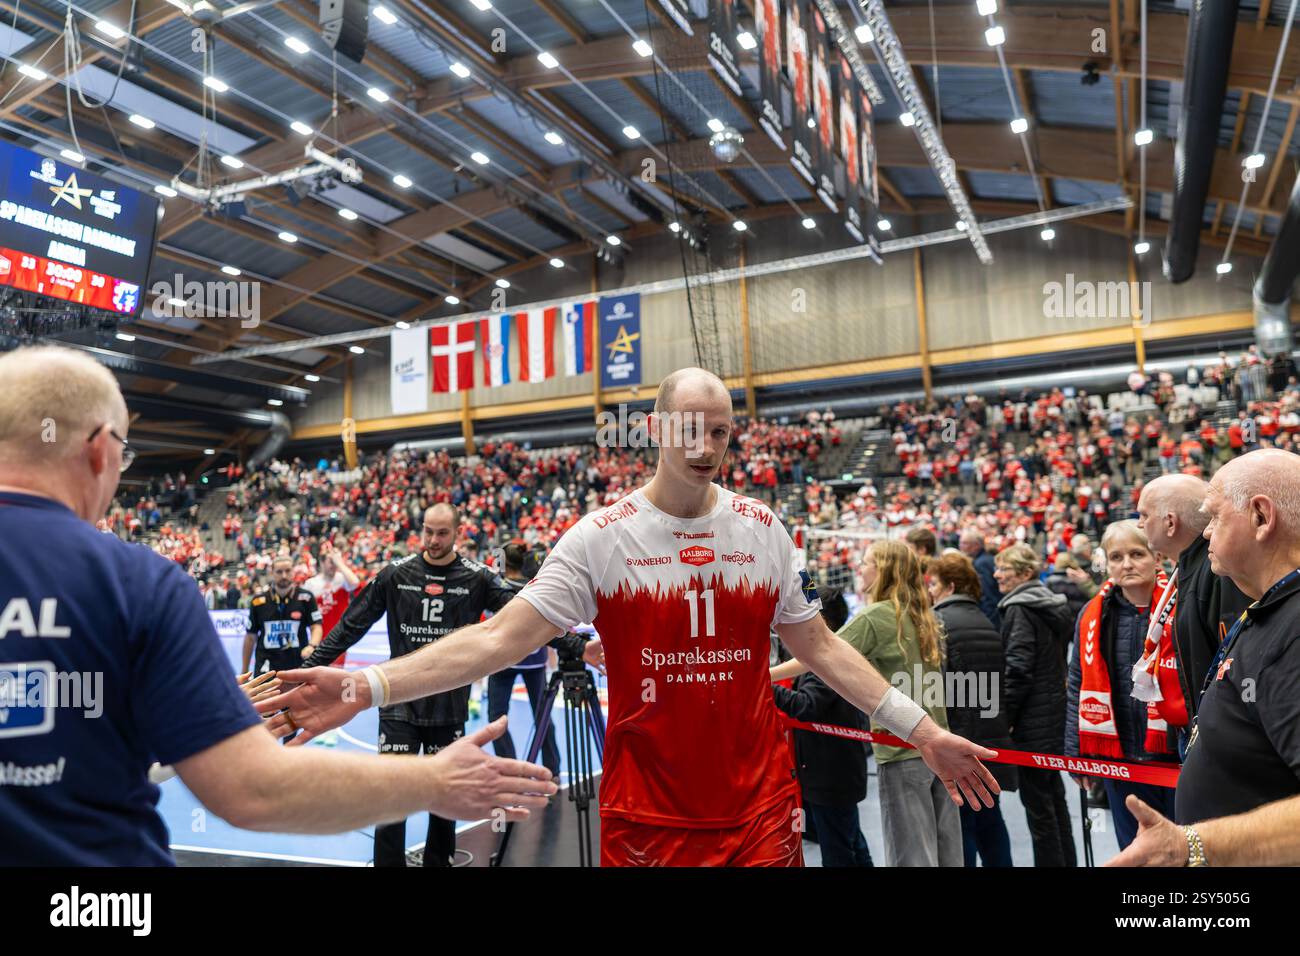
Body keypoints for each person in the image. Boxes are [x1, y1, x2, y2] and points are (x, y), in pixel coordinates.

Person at [264, 367, 998, 867]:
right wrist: (364, 688)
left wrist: (924, 731)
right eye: (692, 430)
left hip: (763, 807)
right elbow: (497, 638)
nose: (707, 448)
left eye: (721, 432)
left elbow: (821, 647)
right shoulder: (600, 539)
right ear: (655, 429)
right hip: (648, 815)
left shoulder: (763, 530)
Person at [0, 345, 555, 866]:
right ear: (100, 450)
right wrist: (436, 782)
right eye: (124, 454)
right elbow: (252, 790)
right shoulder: (139, 584)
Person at [302, 503, 519, 867]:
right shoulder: (395, 574)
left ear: (457, 533)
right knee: (390, 796)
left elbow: (526, 612)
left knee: (445, 797)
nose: (433, 541)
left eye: (442, 533)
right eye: (428, 532)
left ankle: (439, 862)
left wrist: (576, 645)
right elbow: (350, 625)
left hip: (448, 708)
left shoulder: (478, 578)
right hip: (398, 702)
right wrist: (310, 668)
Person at [828, 540, 962, 867]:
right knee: (948, 854)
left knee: (912, 857)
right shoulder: (923, 615)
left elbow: (817, 653)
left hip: (902, 748)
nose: (860, 567)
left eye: (867, 562)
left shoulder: (875, 617)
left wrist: (765, 674)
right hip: (940, 746)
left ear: (883, 569)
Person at [1064, 520, 1178, 850]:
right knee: (1134, 849)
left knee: (1181, 850)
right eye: (1116, 557)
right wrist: (1076, 751)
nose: (1126, 564)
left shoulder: (1181, 605)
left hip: (1172, 756)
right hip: (1121, 756)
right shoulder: (1093, 613)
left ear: (1157, 558)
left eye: (1136, 554)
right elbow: (1077, 683)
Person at [1135, 474, 1250, 742]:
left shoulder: (1216, 570)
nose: (1139, 524)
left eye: (1144, 515)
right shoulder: (1190, 568)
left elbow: (1233, 661)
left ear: (1170, 523)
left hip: (1220, 736)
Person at [771, 587, 873, 867]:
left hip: (832, 774)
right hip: (834, 770)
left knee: (839, 849)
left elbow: (806, 705)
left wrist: (767, 688)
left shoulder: (826, 663)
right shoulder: (825, 658)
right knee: (850, 840)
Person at [928, 553, 1018, 867]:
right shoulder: (985, 620)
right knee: (990, 821)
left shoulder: (938, 623)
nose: (931, 591)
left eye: (936, 584)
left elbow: (935, 687)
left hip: (959, 738)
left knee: (960, 826)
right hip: (989, 736)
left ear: (950, 585)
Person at [995, 543, 1077, 867]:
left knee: (1040, 809)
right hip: (1053, 712)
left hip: (1032, 720)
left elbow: (1018, 668)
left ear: (1025, 573)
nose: (996, 574)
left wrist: (1007, 718)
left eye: (1004, 569)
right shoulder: (1045, 604)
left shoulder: (1019, 609)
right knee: (1053, 800)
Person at [486, 541, 561, 778]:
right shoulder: (535, 586)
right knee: (542, 715)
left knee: (497, 719)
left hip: (503, 659)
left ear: (503, 563)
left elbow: (490, 621)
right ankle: (553, 770)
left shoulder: (498, 588)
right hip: (534, 658)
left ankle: (509, 771)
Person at [242, 556, 322, 676]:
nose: (284, 575)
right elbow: (250, 637)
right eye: (279, 572)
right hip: (266, 668)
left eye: (288, 571)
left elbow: (316, 626)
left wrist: (312, 646)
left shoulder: (307, 598)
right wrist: (244, 670)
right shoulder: (258, 601)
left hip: (298, 667)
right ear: (272, 573)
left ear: (293, 571)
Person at [302, 544, 360, 668]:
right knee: (316, 671)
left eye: (335, 561)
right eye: (331, 561)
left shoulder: (342, 580)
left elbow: (355, 583)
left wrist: (340, 563)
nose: (334, 565)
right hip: (317, 635)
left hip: (339, 634)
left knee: (336, 673)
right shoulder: (311, 584)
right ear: (322, 562)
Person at [959, 529, 1002, 629]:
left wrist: (988, 625)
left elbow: (988, 596)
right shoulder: (987, 559)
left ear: (976, 545)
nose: (961, 546)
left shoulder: (981, 564)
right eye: (960, 543)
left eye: (965, 543)